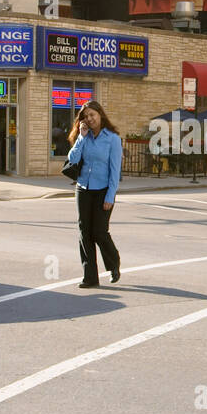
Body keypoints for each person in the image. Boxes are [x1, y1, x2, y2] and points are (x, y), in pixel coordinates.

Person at [67, 101, 122, 288]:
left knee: (99, 231)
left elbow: (115, 171)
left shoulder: (113, 138)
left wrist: (110, 197)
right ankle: (90, 277)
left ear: (100, 115)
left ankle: (113, 264)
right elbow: (72, 159)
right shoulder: (84, 136)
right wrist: (81, 138)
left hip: (103, 190)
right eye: (86, 116)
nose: (90, 119)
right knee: (84, 233)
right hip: (83, 188)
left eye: (92, 115)